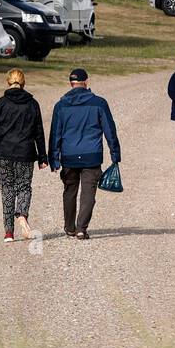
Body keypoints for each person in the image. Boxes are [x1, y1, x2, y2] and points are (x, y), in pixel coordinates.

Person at [48, 67, 121, 240]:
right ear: (87, 81)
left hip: (69, 156)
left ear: (71, 83)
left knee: (70, 191)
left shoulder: (61, 105)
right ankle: (81, 228)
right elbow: (110, 130)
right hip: (92, 155)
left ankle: (69, 227)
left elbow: (55, 133)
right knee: (89, 193)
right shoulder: (99, 103)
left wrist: (54, 159)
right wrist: (115, 154)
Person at [0, 68, 48, 243]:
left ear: (7, 82)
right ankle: (22, 214)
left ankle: (9, 232)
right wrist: (43, 157)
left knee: (7, 190)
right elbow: (38, 132)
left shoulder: (0, 104)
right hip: (25, 153)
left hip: (2, 154)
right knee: (24, 187)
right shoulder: (32, 104)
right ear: (23, 84)